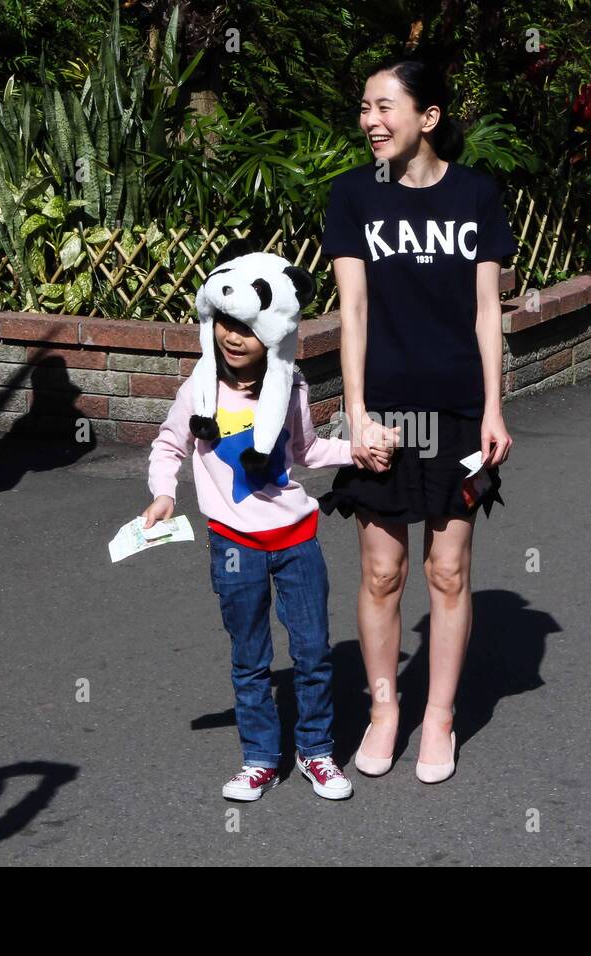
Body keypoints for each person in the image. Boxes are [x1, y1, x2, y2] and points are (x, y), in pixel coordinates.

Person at [317, 56, 515, 784]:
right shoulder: (352, 198)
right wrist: (358, 415)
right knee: (381, 569)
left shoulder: (476, 195)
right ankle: (383, 711)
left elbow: (489, 310)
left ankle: (439, 718)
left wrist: (495, 405)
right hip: (386, 412)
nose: (370, 119)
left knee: (450, 568)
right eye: (364, 106)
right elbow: (354, 313)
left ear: (428, 117)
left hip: (461, 411)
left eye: (385, 106)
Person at [142, 270, 397, 802]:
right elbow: (168, 446)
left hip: (296, 537)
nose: (234, 337)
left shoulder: (292, 386)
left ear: (276, 333)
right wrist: (164, 492)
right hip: (234, 544)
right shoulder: (199, 389)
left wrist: (355, 450)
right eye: (227, 324)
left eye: (249, 328)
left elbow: (303, 452)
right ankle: (259, 759)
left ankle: (316, 750)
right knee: (250, 656)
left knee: (312, 651)